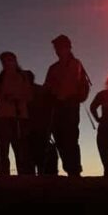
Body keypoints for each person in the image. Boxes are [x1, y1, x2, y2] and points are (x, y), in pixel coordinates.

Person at [43, 34, 91, 177]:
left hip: (70, 105)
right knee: (59, 137)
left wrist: (74, 97)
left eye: (61, 47)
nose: (58, 50)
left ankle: (74, 171)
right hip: (56, 106)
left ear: (68, 48)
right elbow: (47, 87)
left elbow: (82, 85)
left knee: (70, 137)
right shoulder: (53, 68)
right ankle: (71, 169)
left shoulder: (76, 64)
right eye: (56, 48)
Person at [0, 51, 34, 176]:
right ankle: (3, 181)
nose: (7, 63)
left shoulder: (24, 77)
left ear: (15, 61)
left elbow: (30, 96)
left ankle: (25, 181)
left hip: (19, 119)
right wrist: (4, 96)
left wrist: (16, 97)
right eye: (5, 61)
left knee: (22, 152)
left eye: (10, 60)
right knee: (2, 152)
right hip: (2, 119)